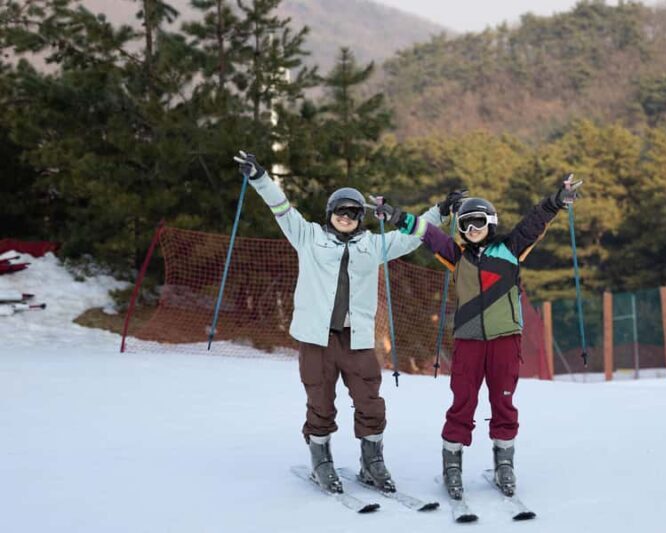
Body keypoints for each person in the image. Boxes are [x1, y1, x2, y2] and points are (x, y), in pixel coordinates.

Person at [233, 151, 444, 494]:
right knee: (320, 399)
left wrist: (440, 212)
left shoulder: (373, 245)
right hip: (317, 338)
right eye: (341, 211)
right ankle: (322, 460)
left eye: (354, 212)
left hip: (356, 338)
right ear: (330, 214)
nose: (346, 217)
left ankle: (372, 461)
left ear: (361, 217)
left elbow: (410, 237)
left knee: (370, 400)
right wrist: (259, 177)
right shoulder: (308, 238)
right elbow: (282, 208)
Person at [376, 174, 583, 498]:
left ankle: (504, 464)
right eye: (466, 226)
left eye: (478, 223)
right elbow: (426, 233)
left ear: (491, 223)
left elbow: (534, 222)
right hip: (469, 341)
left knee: (503, 401)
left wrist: (557, 200)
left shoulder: (511, 248)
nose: (472, 230)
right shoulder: (456, 255)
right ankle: (453, 466)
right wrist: (395, 215)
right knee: (463, 401)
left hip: (505, 340)